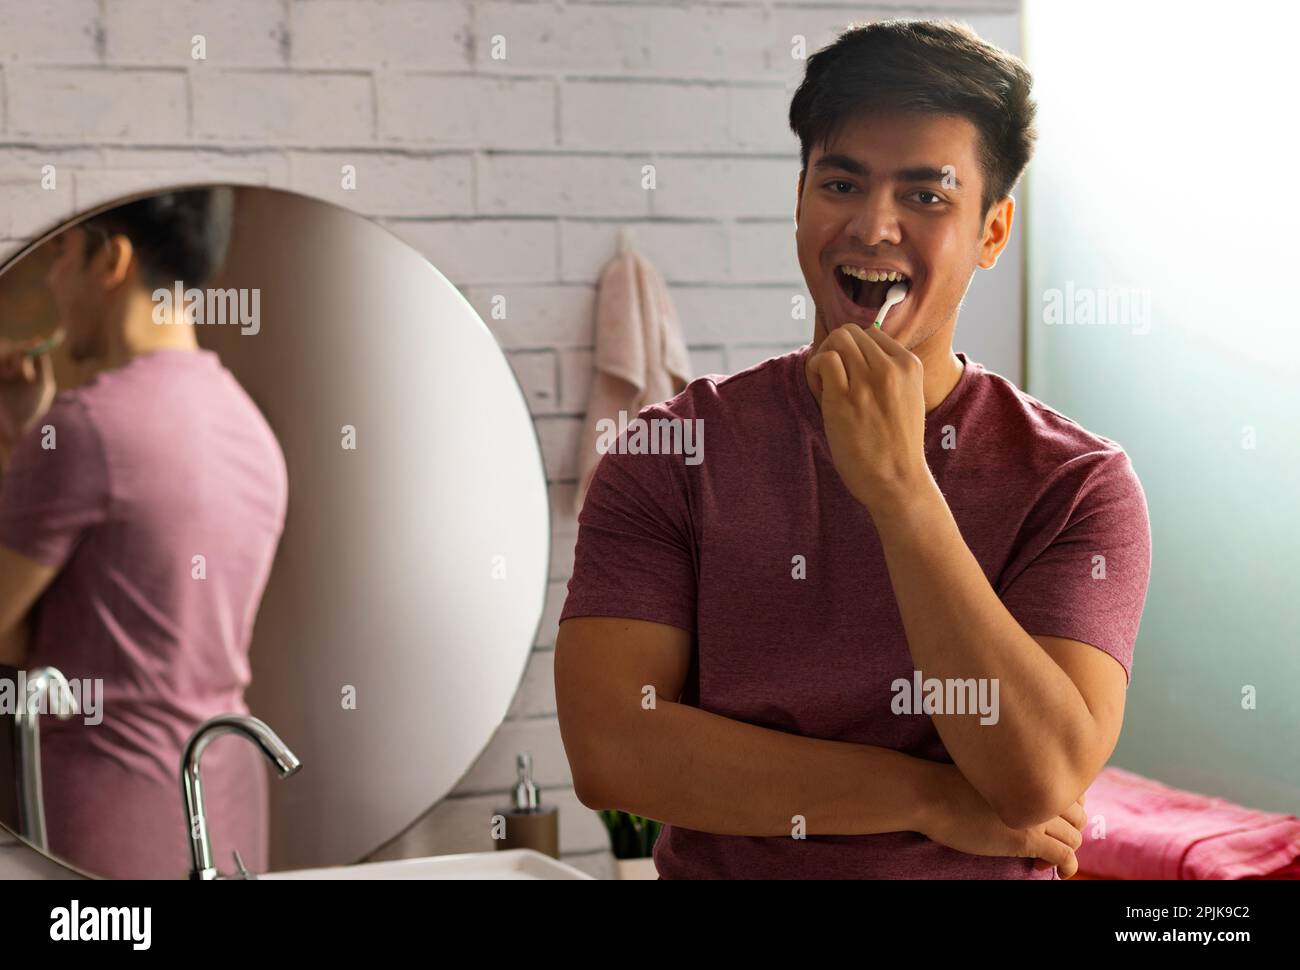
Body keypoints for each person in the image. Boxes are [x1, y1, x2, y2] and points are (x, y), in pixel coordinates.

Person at [555, 20, 1152, 879]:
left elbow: (1036, 777)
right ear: (801, 199)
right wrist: (930, 798)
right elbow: (614, 748)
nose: (874, 227)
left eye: (926, 195)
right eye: (842, 183)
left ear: (992, 232)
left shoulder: (1077, 484)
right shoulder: (669, 453)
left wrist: (902, 489)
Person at [0, 188, 288, 879]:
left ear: (113, 260)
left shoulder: (85, 428)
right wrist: (26, 440)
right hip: (229, 810)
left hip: (104, 818)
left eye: (63, 253)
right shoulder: (249, 429)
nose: (52, 279)